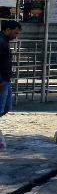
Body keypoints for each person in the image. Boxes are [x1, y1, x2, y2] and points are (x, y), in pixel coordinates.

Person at [0, 20, 21, 151]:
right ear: (8, 30)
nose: (16, 35)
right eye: (15, 32)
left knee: (6, 107)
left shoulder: (4, 42)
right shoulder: (1, 42)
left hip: (6, 80)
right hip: (2, 81)